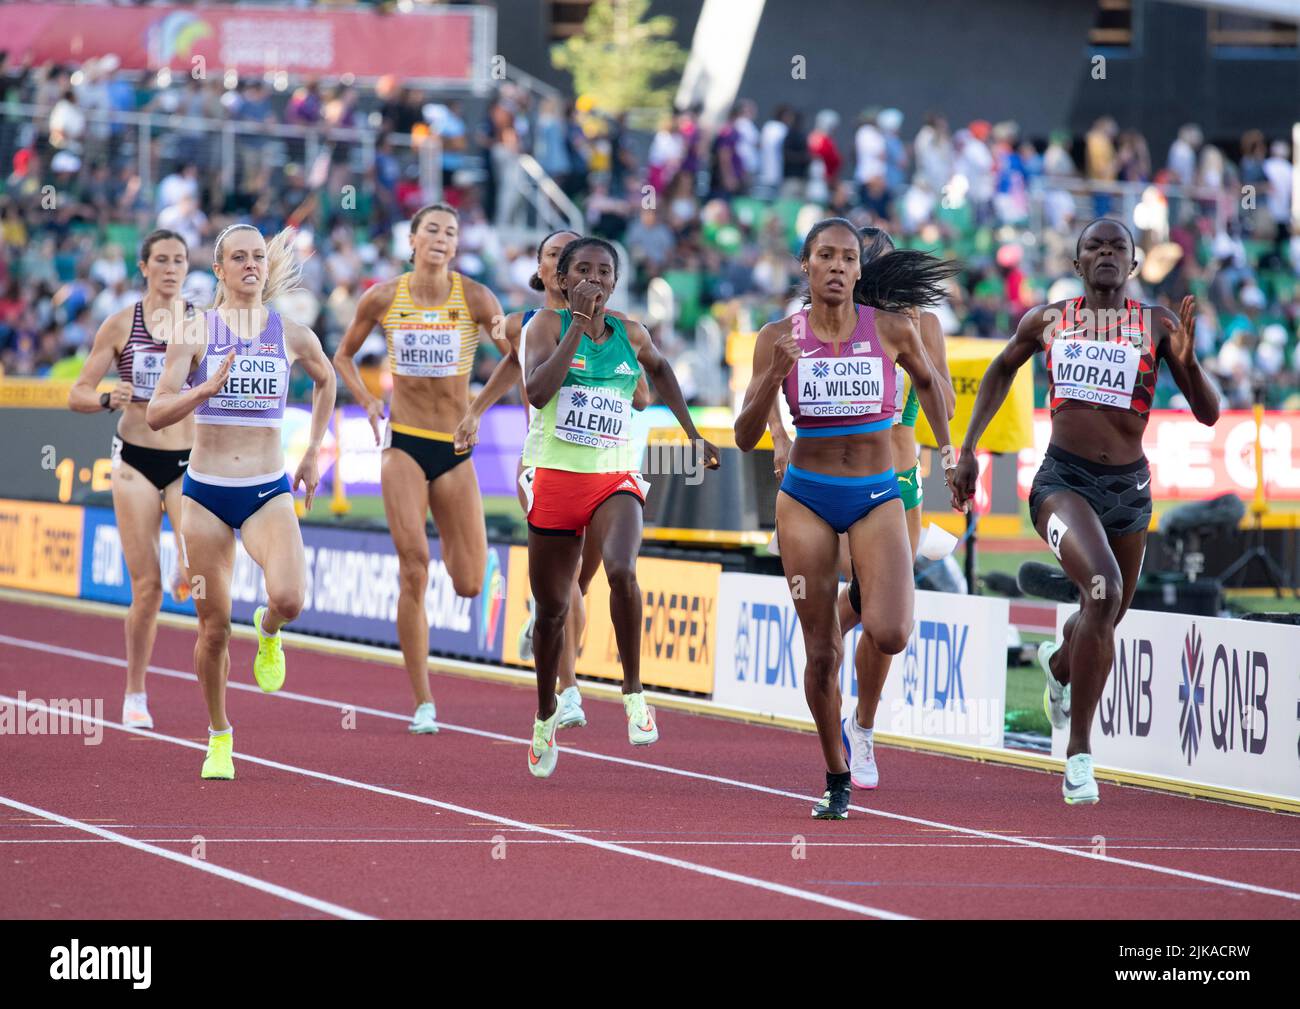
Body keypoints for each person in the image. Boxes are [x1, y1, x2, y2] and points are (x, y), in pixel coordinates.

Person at [952, 218, 1219, 805]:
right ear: (1077, 265)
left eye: (1116, 246)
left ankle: (1060, 662)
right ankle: (1078, 754)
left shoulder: (1158, 325)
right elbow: (1000, 369)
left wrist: (1190, 365)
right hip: (1061, 481)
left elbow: (1208, 414)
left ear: (1133, 263)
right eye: (1093, 246)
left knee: (1105, 614)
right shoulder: (1049, 320)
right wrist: (968, 447)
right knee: (1101, 591)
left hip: (1129, 489)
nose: (1104, 253)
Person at [735, 218, 960, 820]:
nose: (838, 266)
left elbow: (938, 393)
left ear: (862, 272)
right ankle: (837, 774)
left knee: (890, 631)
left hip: (879, 492)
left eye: (849, 258)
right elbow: (744, 433)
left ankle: (860, 718)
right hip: (806, 497)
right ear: (805, 266)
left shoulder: (895, 328)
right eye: (825, 256)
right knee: (821, 653)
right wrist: (771, 382)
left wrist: (951, 456)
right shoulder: (778, 335)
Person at [520, 237, 718, 778]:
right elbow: (538, 393)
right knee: (554, 611)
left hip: (613, 475)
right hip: (556, 478)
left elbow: (663, 373)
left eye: (604, 271)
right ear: (561, 280)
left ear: (614, 281)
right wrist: (577, 330)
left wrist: (692, 433)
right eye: (581, 270)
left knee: (622, 568)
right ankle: (544, 716)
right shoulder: (542, 327)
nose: (593, 279)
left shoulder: (632, 333)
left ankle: (633, 693)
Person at [147, 224, 336, 780]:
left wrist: (313, 453)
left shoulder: (293, 333)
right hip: (204, 495)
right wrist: (203, 389)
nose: (251, 264)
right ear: (220, 269)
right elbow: (157, 412)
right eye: (239, 257)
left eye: (258, 256)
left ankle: (270, 629)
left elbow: (326, 382)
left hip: (267, 490)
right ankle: (219, 735)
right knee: (213, 628)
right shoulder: (194, 331)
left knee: (291, 597)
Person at [466, 229, 653, 730]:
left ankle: (544, 619)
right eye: (554, 256)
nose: (582, 274)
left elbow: (640, 395)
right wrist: (475, 411)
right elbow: (514, 369)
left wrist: (619, 368)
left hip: (601, 468)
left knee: (585, 582)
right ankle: (568, 690)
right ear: (549, 268)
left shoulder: (614, 329)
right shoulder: (524, 323)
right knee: (568, 584)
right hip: (544, 466)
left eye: (598, 268)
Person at [333, 203, 508, 734]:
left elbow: (518, 357)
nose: (440, 237)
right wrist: (364, 399)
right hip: (403, 442)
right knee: (413, 565)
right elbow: (342, 356)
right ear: (411, 240)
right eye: (431, 229)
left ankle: (488, 573)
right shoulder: (384, 296)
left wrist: (477, 410)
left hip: (454, 447)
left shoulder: (476, 297)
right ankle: (423, 701)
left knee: (470, 585)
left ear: (457, 246)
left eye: (450, 232)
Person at [68, 230, 195, 729]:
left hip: (188, 460)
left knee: (201, 580)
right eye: (160, 259)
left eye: (178, 260)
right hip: (136, 459)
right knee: (148, 588)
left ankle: (213, 701)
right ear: (144, 267)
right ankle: (135, 692)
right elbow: (77, 391)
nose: (169, 268)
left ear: (188, 267)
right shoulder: (121, 325)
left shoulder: (201, 324)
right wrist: (105, 397)